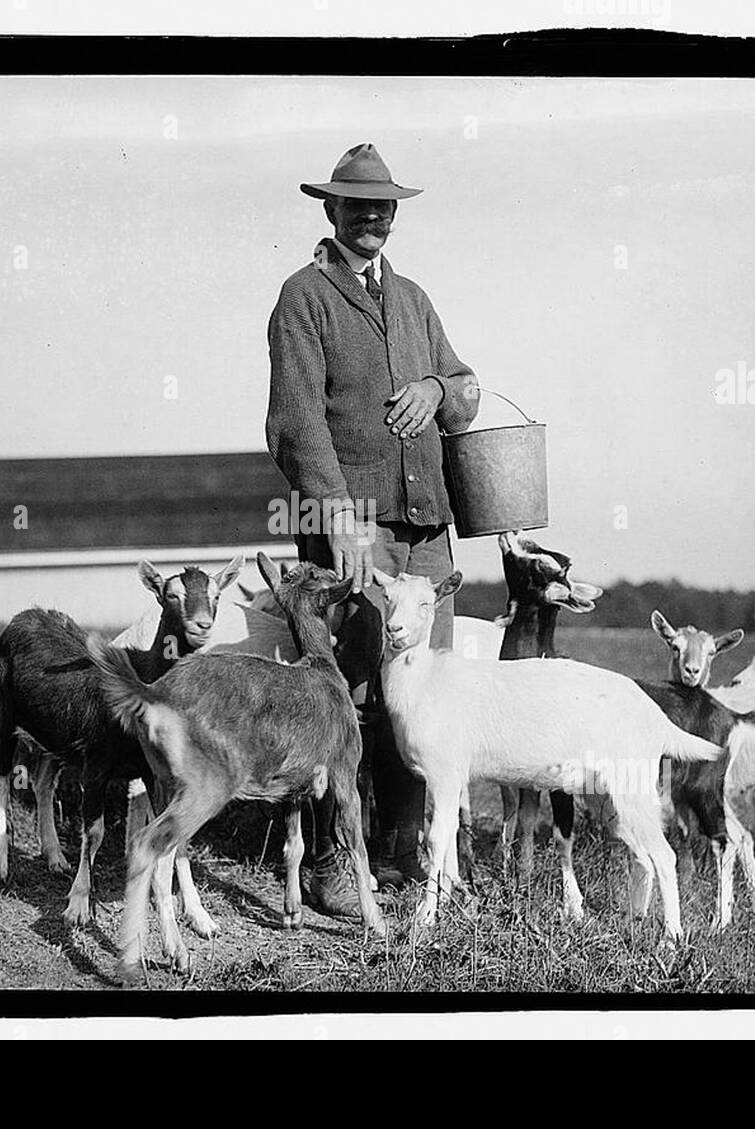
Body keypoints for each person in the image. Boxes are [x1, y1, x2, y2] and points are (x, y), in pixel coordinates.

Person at [265, 142, 479, 916]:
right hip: (354, 535)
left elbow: (465, 390)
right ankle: (332, 865)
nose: (372, 219)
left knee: (422, 696)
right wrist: (341, 521)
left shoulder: (415, 300)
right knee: (346, 698)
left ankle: (407, 858)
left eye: (384, 207)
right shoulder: (304, 299)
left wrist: (433, 386)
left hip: (426, 532)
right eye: (358, 206)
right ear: (331, 210)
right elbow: (294, 426)